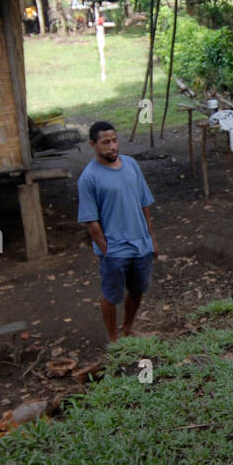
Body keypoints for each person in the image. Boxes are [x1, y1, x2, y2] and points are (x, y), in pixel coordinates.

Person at [76, 121, 159, 342]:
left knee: (138, 289)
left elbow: (144, 205)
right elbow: (91, 222)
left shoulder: (131, 165)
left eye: (114, 141)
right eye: (106, 142)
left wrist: (151, 238)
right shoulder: (88, 178)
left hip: (140, 243)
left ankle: (128, 328)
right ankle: (114, 339)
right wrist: (107, 251)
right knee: (111, 296)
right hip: (115, 249)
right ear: (93, 144)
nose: (112, 146)